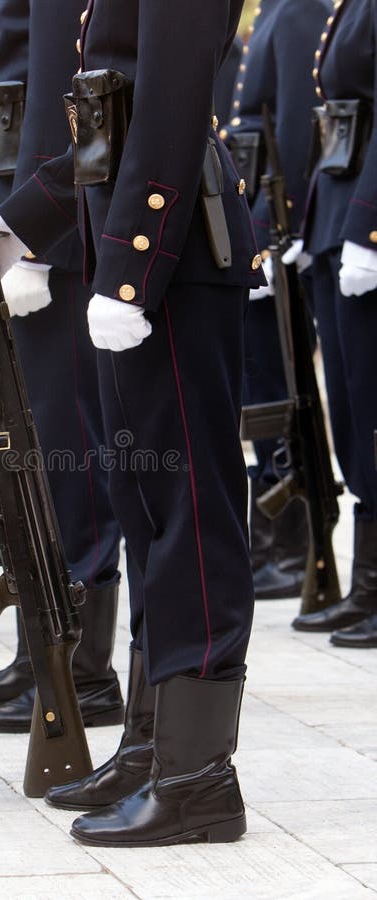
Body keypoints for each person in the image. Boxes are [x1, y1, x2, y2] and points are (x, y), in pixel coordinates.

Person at [0, 0, 265, 846]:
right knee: (144, 513)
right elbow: (101, 112)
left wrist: (129, 271)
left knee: (188, 516)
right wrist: (14, 219)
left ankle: (200, 777)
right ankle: (155, 745)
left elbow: (171, 95)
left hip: (167, 245)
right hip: (126, 236)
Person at [0, 0, 125, 734]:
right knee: (38, 454)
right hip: (32, 207)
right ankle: (44, 644)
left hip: (60, 224)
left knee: (68, 457)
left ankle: (81, 664)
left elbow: (62, 86)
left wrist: (39, 244)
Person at [221, 0, 331, 601]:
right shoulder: (272, 13)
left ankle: (290, 545)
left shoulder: (298, 13)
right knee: (257, 388)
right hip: (257, 218)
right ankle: (272, 541)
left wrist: (274, 231)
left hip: (273, 224)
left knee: (276, 392)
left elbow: (291, 130)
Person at [293, 0, 377, 649]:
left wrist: (370, 228)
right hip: (334, 224)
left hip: (362, 227)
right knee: (350, 410)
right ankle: (368, 584)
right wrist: (309, 227)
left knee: (372, 406)